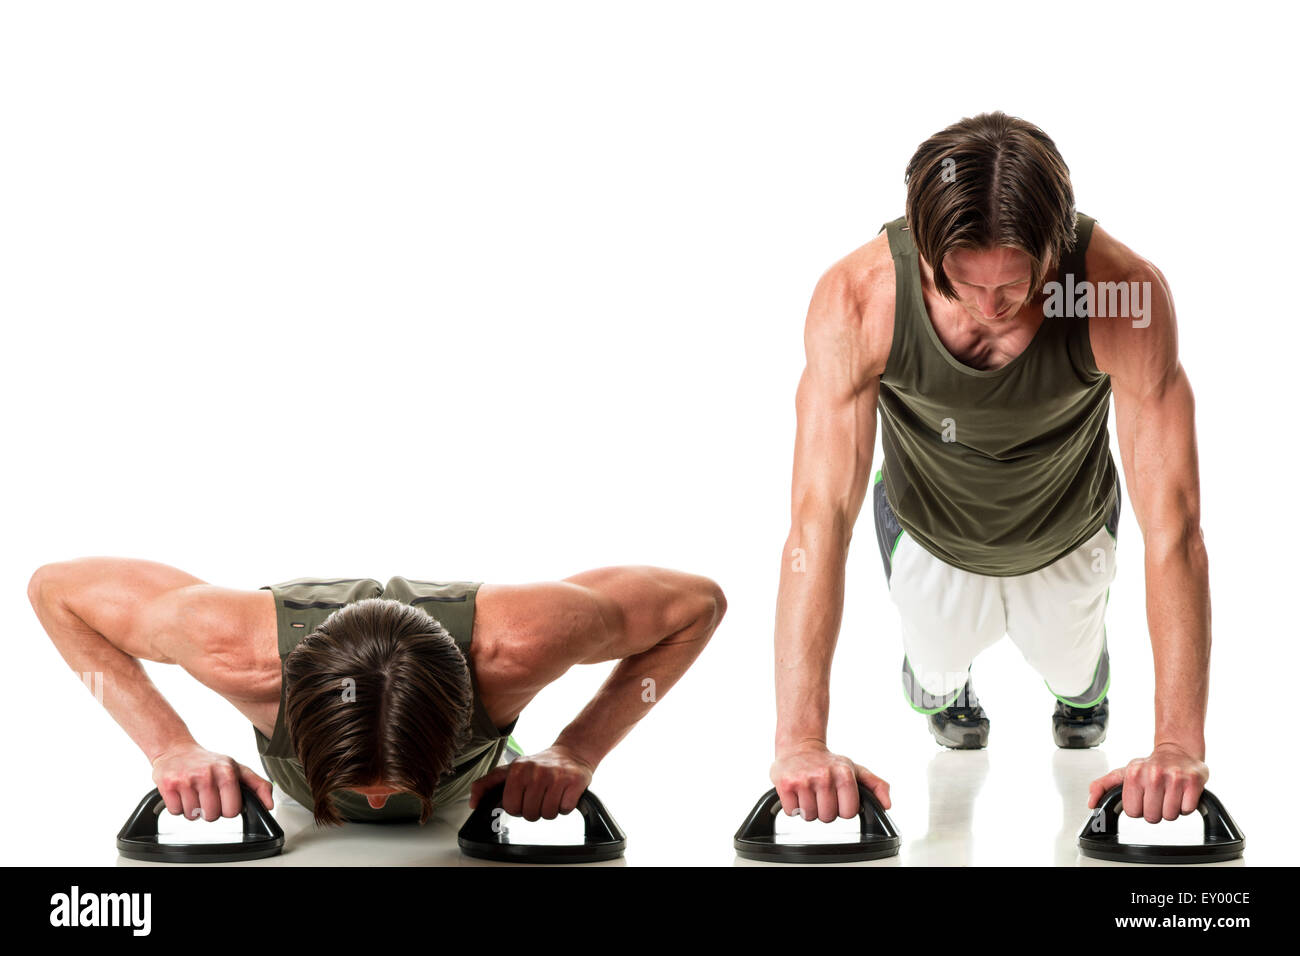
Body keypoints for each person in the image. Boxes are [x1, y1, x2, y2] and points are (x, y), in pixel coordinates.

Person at [771, 111, 1210, 828]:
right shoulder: (857, 302)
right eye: (961, 284)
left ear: (1056, 247)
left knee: (1072, 669)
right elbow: (816, 522)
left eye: (1014, 285)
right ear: (922, 246)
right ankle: (946, 691)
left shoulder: (1119, 296)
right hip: (931, 531)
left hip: (1067, 527)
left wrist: (1176, 744)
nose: (989, 308)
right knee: (937, 673)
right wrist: (798, 743)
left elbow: (1176, 528)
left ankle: (1082, 691)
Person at [29, 557, 724, 825]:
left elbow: (697, 605)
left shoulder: (523, 643)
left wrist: (578, 749)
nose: (382, 802)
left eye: (395, 783)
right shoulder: (233, 650)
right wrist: (169, 747)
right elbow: (56, 592)